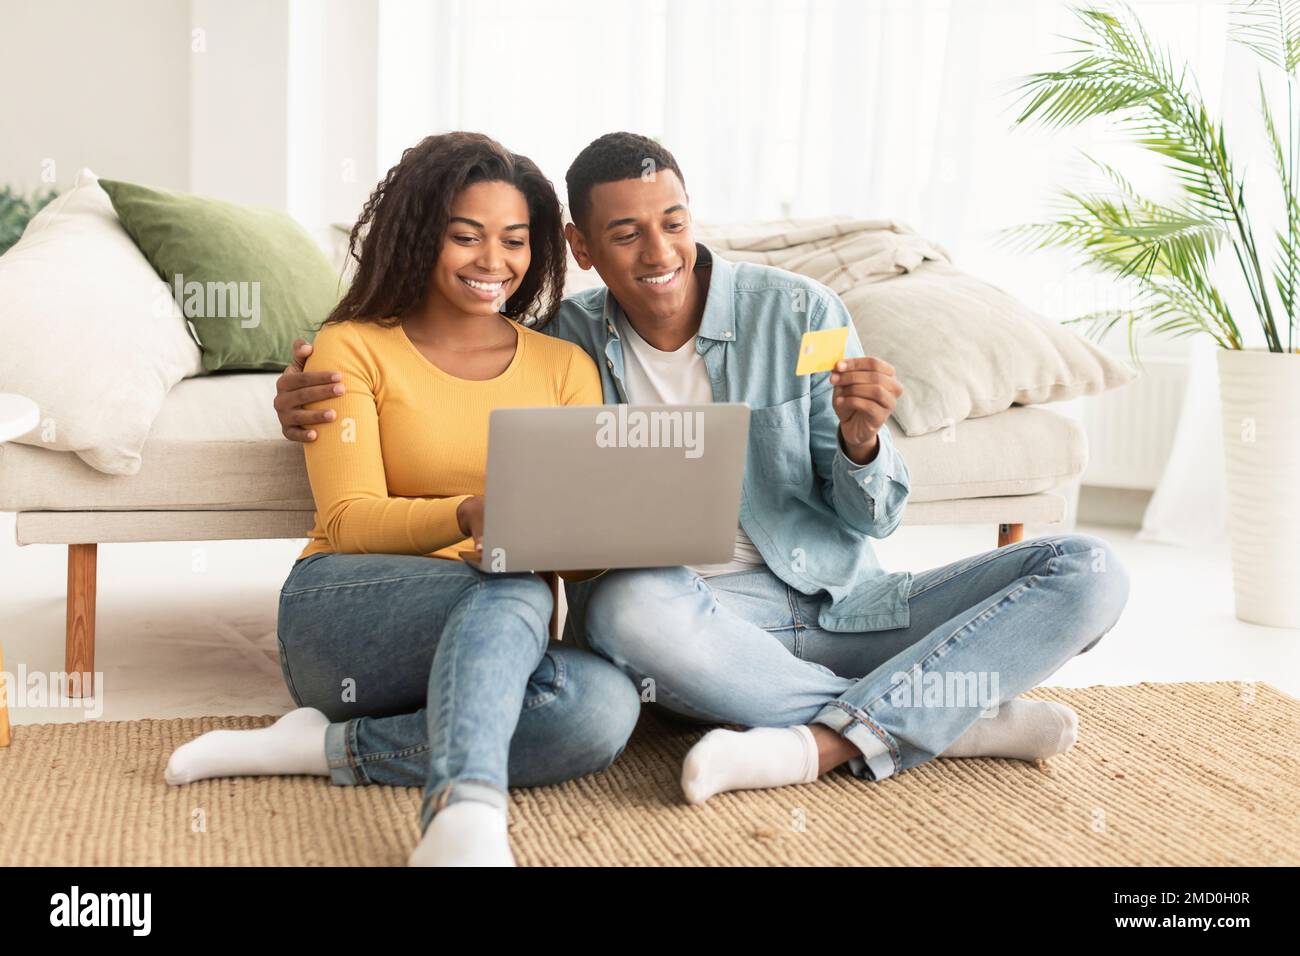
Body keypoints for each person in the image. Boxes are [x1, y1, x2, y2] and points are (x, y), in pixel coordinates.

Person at [275, 131, 1130, 808]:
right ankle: (944, 714)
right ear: (577, 245)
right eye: (626, 232)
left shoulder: (808, 314)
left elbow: (873, 519)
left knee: (1087, 568)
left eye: (674, 221)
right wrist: (300, 392)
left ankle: (821, 739)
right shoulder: (566, 342)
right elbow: (448, 376)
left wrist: (865, 444)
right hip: (687, 620)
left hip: (845, 600)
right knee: (628, 603)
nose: (659, 251)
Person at [165, 132, 641, 867]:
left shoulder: (564, 368)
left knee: (601, 710)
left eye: (514, 241)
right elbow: (348, 520)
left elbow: (571, 553)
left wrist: (605, 540)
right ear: (421, 235)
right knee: (512, 584)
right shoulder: (350, 348)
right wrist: (467, 514)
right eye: (466, 237)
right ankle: (463, 815)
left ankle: (325, 748)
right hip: (345, 611)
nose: (495, 262)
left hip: (491, 628)